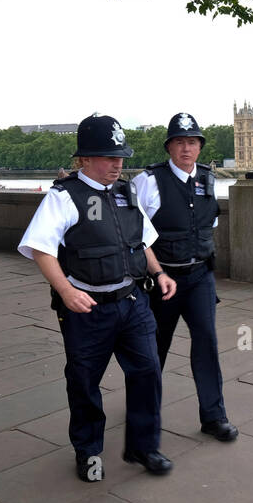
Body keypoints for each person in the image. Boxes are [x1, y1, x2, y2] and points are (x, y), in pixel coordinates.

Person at [18, 113, 179, 481]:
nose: (117, 163)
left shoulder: (126, 192)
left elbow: (143, 241)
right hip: (87, 308)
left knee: (147, 372)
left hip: (132, 301)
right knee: (85, 382)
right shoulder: (64, 197)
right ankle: (88, 452)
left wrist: (158, 273)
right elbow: (40, 248)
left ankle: (144, 446)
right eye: (109, 156)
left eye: (120, 156)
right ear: (85, 159)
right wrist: (67, 291)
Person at [131, 112, 238, 442]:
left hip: (200, 277)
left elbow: (210, 226)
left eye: (192, 142)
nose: (186, 148)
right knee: (155, 348)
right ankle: (145, 411)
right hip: (163, 280)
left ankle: (214, 416)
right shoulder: (148, 182)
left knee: (206, 342)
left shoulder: (208, 178)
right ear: (169, 147)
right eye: (180, 142)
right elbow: (135, 234)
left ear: (200, 147)